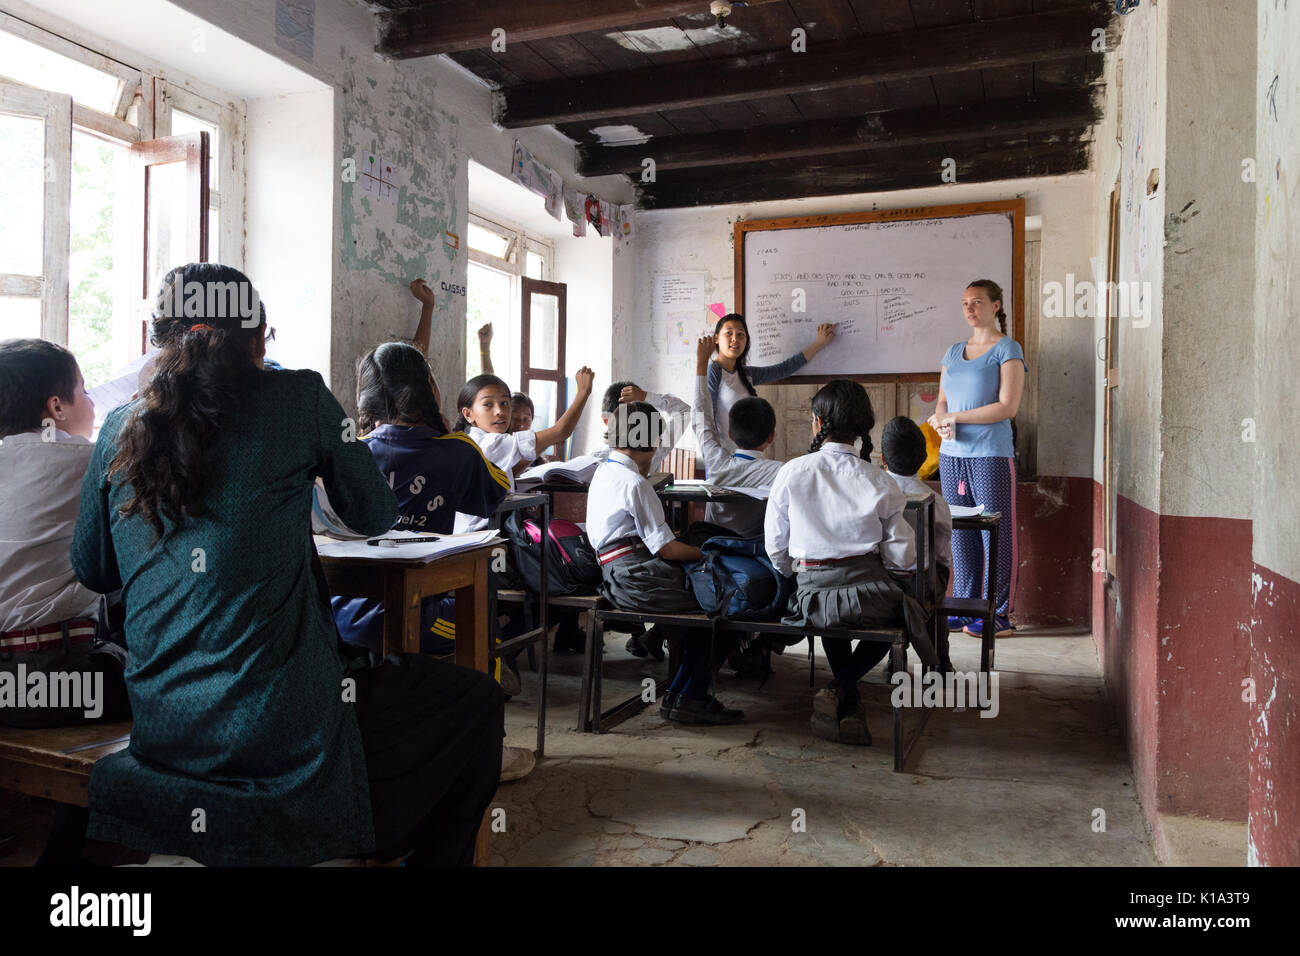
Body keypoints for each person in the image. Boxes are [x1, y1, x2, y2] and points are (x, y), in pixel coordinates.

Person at [70, 263, 503, 866]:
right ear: (257, 339)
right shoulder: (299, 399)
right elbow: (375, 515)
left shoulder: (120, 425)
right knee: (474, 699)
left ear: (158, 339)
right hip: (280, 720)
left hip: (164, 722)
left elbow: (94, 570)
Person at [765, 381, 937, 745]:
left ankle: (844, 695)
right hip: (866, 592)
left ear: (816, 422)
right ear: (863, 426)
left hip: (811, 595)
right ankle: (842, 688)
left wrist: (794, 576)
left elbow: (776, 546)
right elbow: (901, 555)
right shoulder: (879, 479)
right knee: (899, 614)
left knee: (833, 613)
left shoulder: (791, 472)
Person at [0, 339, 130, 736]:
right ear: (57, 407)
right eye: (85, 391)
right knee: (173, 683)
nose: (92, 403)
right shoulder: (88, 461)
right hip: (54, 682)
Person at [587, 402, 742, 725]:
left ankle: (678, 692)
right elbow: (667, 550)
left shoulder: (604, 471)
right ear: (647, 442)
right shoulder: (636, 484)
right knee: (727, 608)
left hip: (616, 573)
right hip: (637, 578)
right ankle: (690, 696)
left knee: (700, 608)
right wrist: (708, 554)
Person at [927, 279, 1025, 638]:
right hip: (952, 455)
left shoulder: (1007, 349)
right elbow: (942, 400)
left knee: (994, 532)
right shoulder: (952, 352)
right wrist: (940, 419)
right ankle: (966, 604)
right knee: (960, 531)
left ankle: (997, 612)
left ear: (996, 306)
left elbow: (1007, 407)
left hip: (991, 454)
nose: (970, 308)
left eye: (978, 302)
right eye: (965, 303)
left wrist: (956, 418)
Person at [452, 368, 594, 533]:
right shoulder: (491, 442)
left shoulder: (468, 438)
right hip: (481, 535)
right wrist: (583, 392)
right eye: (488, 404)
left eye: (504, 403)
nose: (499, 411)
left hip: (466, 532)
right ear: (468, 414)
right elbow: (561, 431)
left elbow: (511, 471)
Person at [690, 333, 783, 540]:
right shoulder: (781, 472)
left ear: (730, 433)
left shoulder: (716, 462)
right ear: (772, 436)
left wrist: (700, 364)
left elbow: (700, 418)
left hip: (715, 553)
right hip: (753, 558)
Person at [882, 415, 954, 671]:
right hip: (923, 583)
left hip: (883, 585)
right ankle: (941, 662)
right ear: (924, 459)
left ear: (882, 459)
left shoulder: (875, 496)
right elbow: (944, 546)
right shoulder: (936, 500)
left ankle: (894, 663)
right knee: (935, 597)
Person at [707, 312, 837, 440]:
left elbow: (784, 368)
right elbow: (706, 416)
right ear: (716, 338)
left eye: (740, 334)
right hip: (723, 457)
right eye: (729, 333)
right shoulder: (713, 371)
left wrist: (819, 344)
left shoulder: (747, 374)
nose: (735, 338)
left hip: (746, 454)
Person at [589, 380, 690, 474]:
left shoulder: (655, 444)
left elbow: (685, 412)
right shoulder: (596, 460)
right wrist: (646, 397)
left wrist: (645, 397)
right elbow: (685, 412)